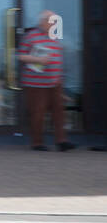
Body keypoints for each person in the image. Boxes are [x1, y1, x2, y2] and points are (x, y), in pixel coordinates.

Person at [17, 10, 73, 151]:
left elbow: (58, 57)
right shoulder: (31, 36)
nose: (53, 23)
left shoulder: (55, 36)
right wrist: (38, 60)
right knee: (38, 112)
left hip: (55, 82)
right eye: (50, 21)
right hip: (36, 83)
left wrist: (59, 77)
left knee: (59, 111)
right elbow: (21, 56)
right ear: (42, 22)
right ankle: (37, 143)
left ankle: (61, 141)